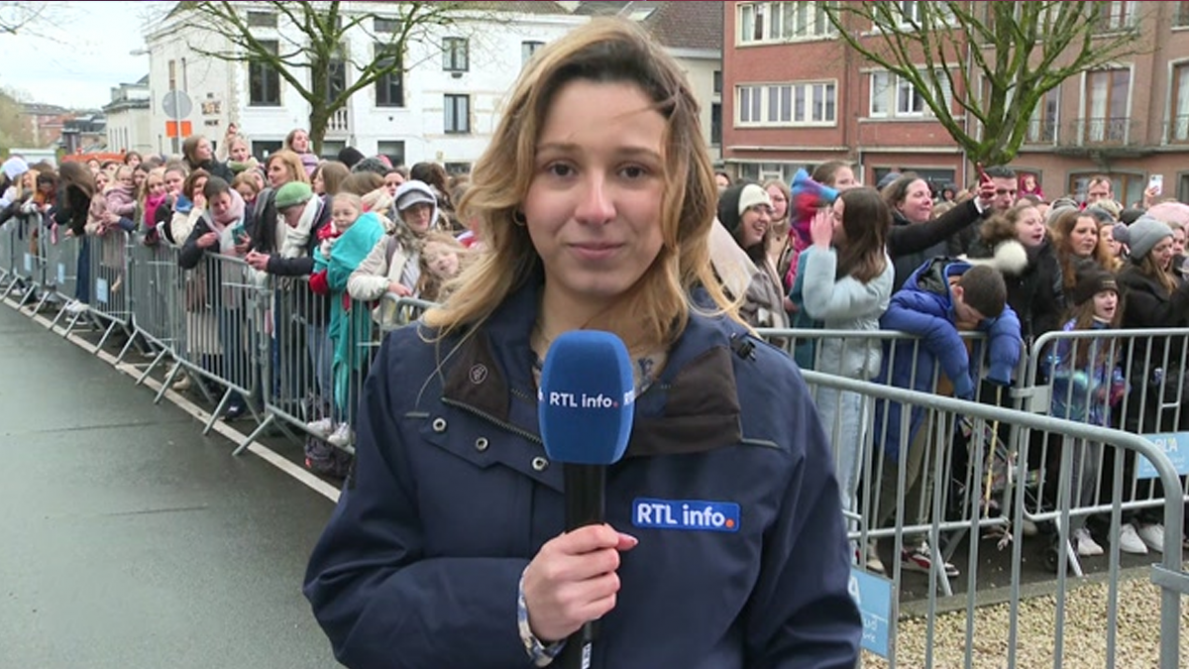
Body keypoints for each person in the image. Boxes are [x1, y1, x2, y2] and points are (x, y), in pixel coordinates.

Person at [304, 18, 861, 668]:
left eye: (632, 170)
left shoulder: (764, 397)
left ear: (678, 193)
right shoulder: (419, 373)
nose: (596, 206)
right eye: (562, 168)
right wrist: (514, 608)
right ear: (520, 190)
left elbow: (813, 641)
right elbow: (352, 597)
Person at [872, 262, 1021, 577]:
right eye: (972, 315)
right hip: (912, 399)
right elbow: (889, 314)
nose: (976, 323)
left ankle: (913, 543)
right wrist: (943, 332)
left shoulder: (980, 294)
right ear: (958, 291)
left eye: (981, 320)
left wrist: (1003, 360)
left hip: (945, 400)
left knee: (929, 473)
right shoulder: (923, 295)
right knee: (900, 474)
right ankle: (864, 539)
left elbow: (1006, 317)